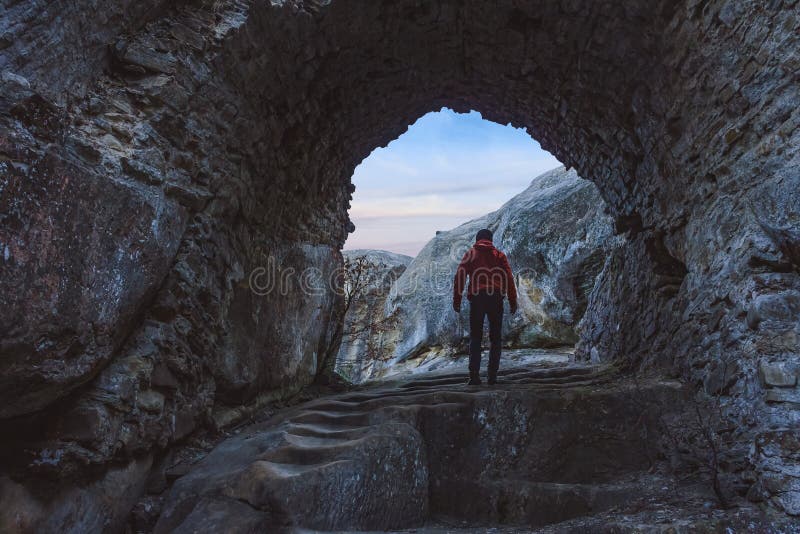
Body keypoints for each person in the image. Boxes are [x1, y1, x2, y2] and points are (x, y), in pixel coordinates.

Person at [452, 228, 517, 385]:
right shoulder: (499, 255)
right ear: (491, 240)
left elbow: (460, 276)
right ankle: (492, 376)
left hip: (477, 298)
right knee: (496, 338)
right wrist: (513, 300)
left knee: (476, 337)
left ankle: (474, 376)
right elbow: (509, 278)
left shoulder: (470, 254)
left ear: (477, 240)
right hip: (495, 297)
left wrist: (457, 300)